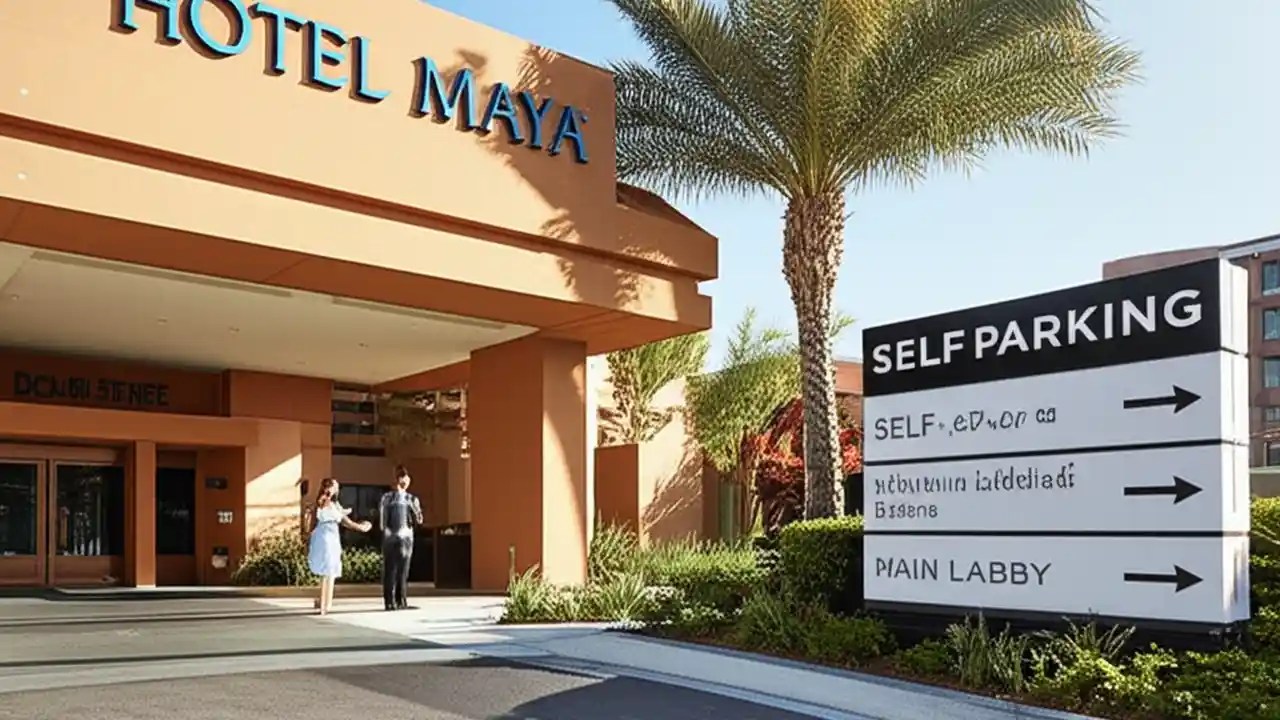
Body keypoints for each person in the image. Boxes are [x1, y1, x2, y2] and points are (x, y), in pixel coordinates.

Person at [308, 477, 371, 616]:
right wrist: (359, 526)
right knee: (328, 570)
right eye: (333, 487)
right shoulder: (324, 501)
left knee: (330, 570)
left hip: (332, 536)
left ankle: (325, 602)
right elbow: (338, 517)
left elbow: (343, 518)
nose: (335, 489)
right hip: (325, 537)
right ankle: (324, 606)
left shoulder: (335, 504)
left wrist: (358, 525)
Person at [378, 465, 423, 611]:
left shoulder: (411, 499)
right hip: (391, 537)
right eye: (401, 477)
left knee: (404, 570)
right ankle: (389, 601)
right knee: (390, 569)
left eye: (406, 478)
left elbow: (419, 519)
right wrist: (386, 530)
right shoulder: (387, 498)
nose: (404, 481)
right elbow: (382, 519)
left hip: (407, 537)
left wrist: (416, 510)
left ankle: (401, 599)